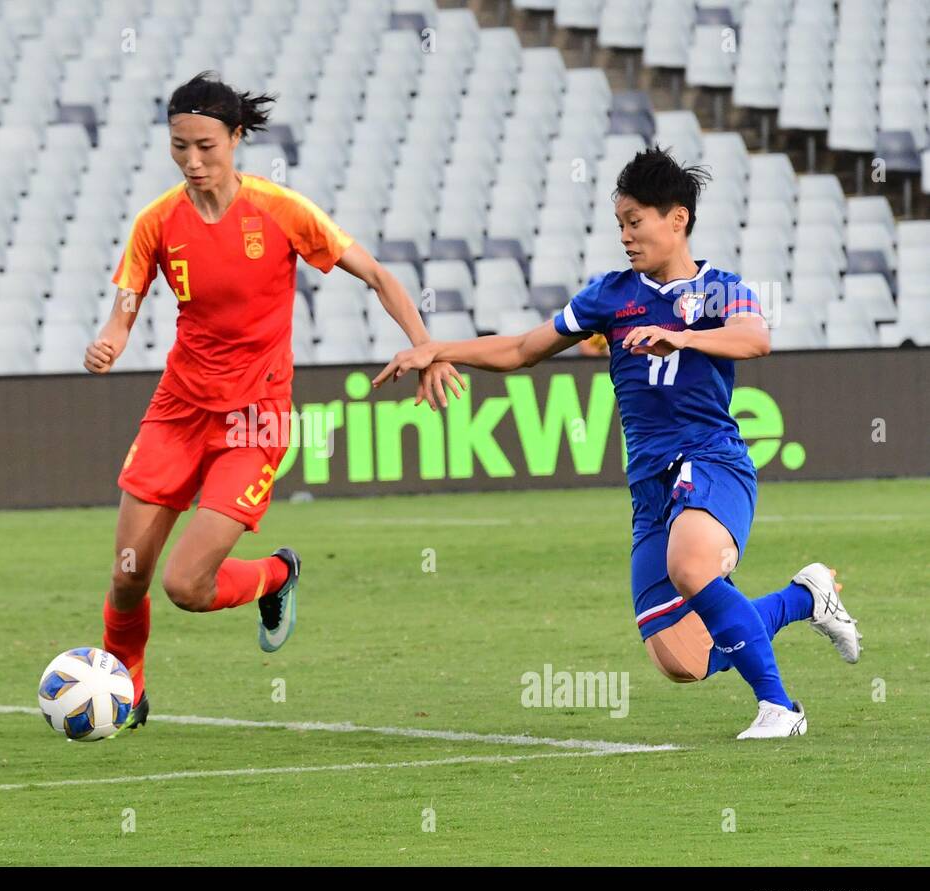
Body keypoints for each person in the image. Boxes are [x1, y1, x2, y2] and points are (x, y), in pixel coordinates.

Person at [373, 147, 861, 739]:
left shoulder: (717, 290)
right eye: (620, 225)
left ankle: (781, 709)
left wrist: (682, 338)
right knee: (682, 659)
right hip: (648, 480)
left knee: (690, 565)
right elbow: (524, 349)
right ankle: (803, 599)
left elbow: (754, 338)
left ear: (676, 219)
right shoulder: (611, 296)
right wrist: (437, 349)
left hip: (709, 457)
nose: (626, 236)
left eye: (636, 221)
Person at [85, 72, 463, 734]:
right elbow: (126, 302)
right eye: (179, 147)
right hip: (177, 413)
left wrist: (424, 345)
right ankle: (124, 692)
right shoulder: (156, 222)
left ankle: (275, 575)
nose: (193, 161)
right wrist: (112, 336)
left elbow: (375, 273)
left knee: (186, 587)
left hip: (254, 422)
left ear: (236, 137)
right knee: (126, 578)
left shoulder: (279, 210)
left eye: (206, 145)